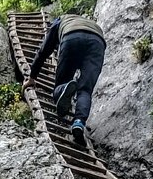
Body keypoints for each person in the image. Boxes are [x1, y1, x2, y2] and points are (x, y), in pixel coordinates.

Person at [24, 13, 106, 147]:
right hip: (97, 42)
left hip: (71, 37)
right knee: (85, 90)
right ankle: (79, 122)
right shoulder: (90, 24)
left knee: (60, 86)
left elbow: (43, 52)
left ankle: (65, 86)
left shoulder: (60, 21)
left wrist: (32, 78)